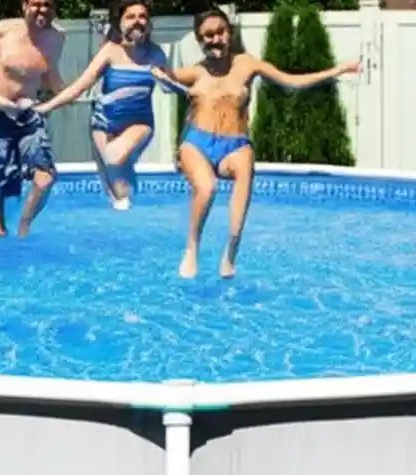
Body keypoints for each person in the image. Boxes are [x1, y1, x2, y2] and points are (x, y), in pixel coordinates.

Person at [153, 8, 360, 279]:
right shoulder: (195, 72)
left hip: (234, 144)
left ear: (230, 33)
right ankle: (192, 248)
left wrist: (338, 70)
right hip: (198, 143)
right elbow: (161, 76)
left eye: (219, 32)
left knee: (245, 161)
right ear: (200, 40)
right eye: (207, 36)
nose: (214, 39)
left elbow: (292, 82)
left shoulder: (247, 65)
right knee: (207, 188)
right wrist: (158, 73)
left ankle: (231, 250)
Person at [34, 0, 181, 210]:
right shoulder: (110, 52)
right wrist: (46, 107)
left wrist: (167, 81)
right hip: (103, 124)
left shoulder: (155, 54)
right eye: (130, 17)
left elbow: (175, 87)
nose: (137, 21)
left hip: (139, 123)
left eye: (142, 17)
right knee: (118, 196)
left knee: (114, 158)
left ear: (149, 24)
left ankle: (124, 177)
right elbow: (79, 86)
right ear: (120, 23)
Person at [0, 0, 66, 238]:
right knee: (1, 178)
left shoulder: (58, 38)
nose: (42, 10)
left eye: (48, 5)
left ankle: (24, 225)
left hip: (29, 117)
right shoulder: (3, 30)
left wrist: (66, 95)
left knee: (45, 178)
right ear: (24, 6)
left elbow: (50, 74)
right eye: (36, 4)